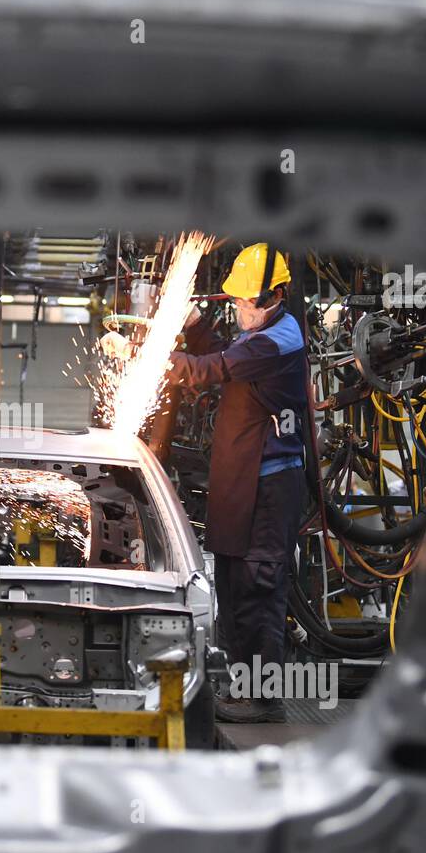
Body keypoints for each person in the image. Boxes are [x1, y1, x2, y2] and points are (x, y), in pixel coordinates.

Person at [103, 243, 306, 723]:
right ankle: (241, 688)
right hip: (243, 483)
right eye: (232, 299)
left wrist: (137, 351)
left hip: (269, 489)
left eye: (244, 301)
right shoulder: (262, 331)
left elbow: (207, 370)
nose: (237, 306)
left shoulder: (279, 341)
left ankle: (263, 700)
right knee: (234, 587)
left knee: (258, 590)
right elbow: (222, 353)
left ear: (275, 295)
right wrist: (196, 326)